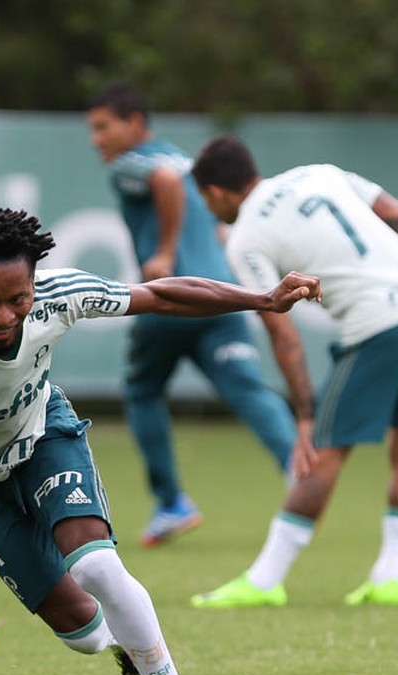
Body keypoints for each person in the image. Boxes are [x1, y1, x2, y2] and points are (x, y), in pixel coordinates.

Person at [0, 205, 322, 675]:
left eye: (17, 299)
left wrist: (263, 299)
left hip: (42, 435)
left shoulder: (60, 294)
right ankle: (122, 647)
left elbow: (161, 295)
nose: (3, 316)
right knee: (85, 634)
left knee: (96, 566)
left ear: (34, 283)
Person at [188, 134, 398, 608]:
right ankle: (389, 578)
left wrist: (305, 416)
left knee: (321, 454)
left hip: (381, 324)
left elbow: (283, 334)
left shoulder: (245, 237)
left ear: (215, 192)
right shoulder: (320, 173)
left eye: (207, 201)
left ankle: (265, 581)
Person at [85, 84, 296, 547]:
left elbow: (161, 181)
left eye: (103, 127)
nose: (96, 139)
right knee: (248, 389)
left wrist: (164, 251)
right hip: (222, 299)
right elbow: (218, 227)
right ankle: (300, 473)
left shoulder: (130, 165)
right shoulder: (189, 163)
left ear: (135, 123)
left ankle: (171, 504)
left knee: (143, 391)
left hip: (173, 300)